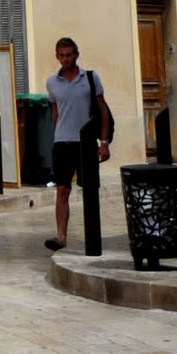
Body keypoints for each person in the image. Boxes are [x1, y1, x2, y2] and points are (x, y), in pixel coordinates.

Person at [44, 36, 112, 250]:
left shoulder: (90, 79)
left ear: (76, 55)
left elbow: (103, 110)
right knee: (62, 189)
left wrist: (104, 142)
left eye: (69, 55)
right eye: (62, 55)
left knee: (89, 189)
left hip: (85, 142)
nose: (65, 59)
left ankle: (92, 237)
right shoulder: (52, 82)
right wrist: (56, 137)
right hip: (63, 142)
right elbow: (56, 112)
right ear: (57, 56)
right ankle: (61, 236)